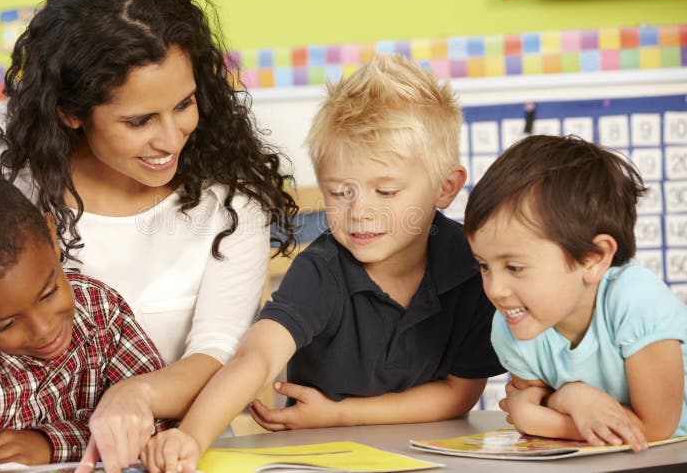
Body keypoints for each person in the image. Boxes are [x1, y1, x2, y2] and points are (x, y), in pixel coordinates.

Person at [0, 0, 297, 471]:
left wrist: (135, 395)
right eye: (139, 121)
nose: (171, 139)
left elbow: (220, 356)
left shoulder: (231, 205)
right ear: (70, 111)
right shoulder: (7, 183)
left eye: (185, 104)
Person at [142, 54, 505, 473]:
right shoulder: (323, 271)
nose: (360, 212)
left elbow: (458, 395)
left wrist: (341, 412)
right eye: (339, 192)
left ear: (446, 187)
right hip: (325, 459)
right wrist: (190, 435)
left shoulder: (473, 266)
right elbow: (256, 357)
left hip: (432, 457)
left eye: (385, 192)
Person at [0, 168, 171, 471]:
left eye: (48, 294)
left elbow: (161, 428)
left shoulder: (103, 314)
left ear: (52, 235)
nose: (44, 329)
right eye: (7, 324)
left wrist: (49, 444)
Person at [463, 135, 687, 452]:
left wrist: (550, 408)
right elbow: (530, 404)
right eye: (484, 266)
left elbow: (655, 429)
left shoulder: (637, 301)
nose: (495, 290)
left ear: (592, 259)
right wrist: (570, 399)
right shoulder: (511, 326)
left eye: (514, 267)